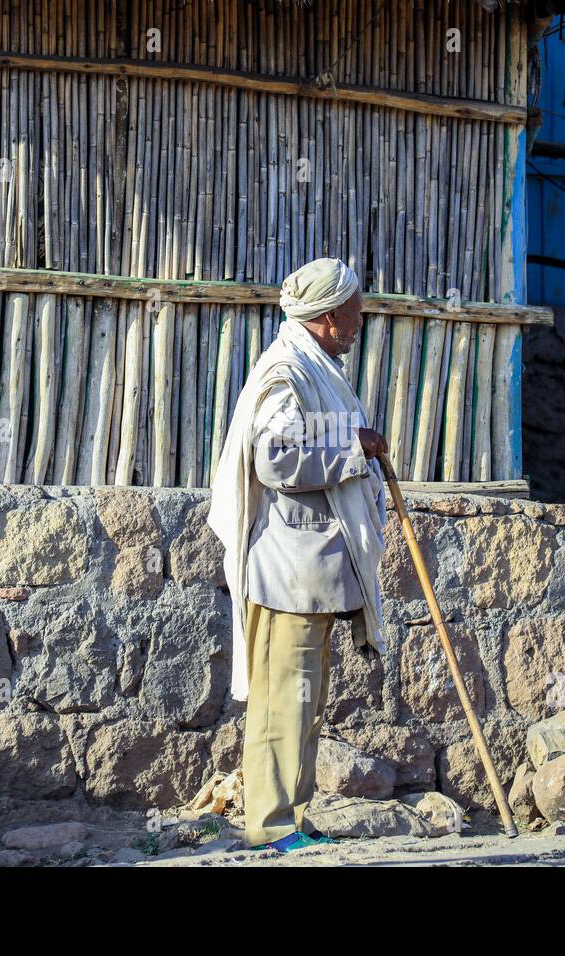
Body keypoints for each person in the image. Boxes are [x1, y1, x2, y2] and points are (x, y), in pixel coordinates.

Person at [208, 257, 388, 853]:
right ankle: (271, 827)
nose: (361, 319)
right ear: (330, 315)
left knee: (301, 701)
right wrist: (354, 445)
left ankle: (289, 815)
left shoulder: (316, 365)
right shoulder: (287, 371)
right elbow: (278, 460)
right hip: (289, 569)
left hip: (310, 568)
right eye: (355, 309)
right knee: (284, 701)